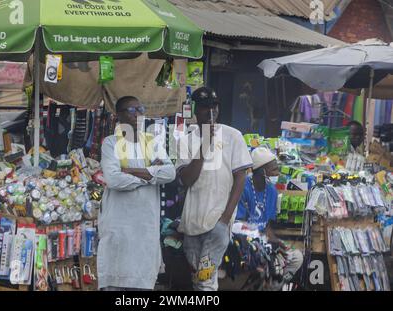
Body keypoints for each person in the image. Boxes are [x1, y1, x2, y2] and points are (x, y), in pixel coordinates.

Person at [176, 87, 253, 291]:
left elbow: (240, 179)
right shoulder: (186, 140)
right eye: (204, 108)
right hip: (192, 223)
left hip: (218, 222)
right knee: (198, 278)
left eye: (214, 107)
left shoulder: (232, 136)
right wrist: (205, 143)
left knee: (205, 279)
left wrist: (225, 219)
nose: (210, 112)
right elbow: (186, 180)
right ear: (195, 111)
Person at [98, 96, 176, 291]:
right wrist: (150, 174)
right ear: (119, 116)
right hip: (119, 228)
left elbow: (170, 173)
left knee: (142, 283)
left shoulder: (152, 142)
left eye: (140, 109)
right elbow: (114, 179)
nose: (138, 114)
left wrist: (131, 171)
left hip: (145, 230)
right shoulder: (110, 143)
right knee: (115, 280)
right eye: (132, 110)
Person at [237, 147, 303, 290]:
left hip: (263, 242)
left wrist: (276, 241)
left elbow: (267, 225)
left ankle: (274, 286)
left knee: (296, 257)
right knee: (268, 262)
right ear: (262, 171)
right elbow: (238, 224)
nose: (277, 173)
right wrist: (260, 242)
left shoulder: (271, 190)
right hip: (245, 243)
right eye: (274, 170)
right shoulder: (243, 188)